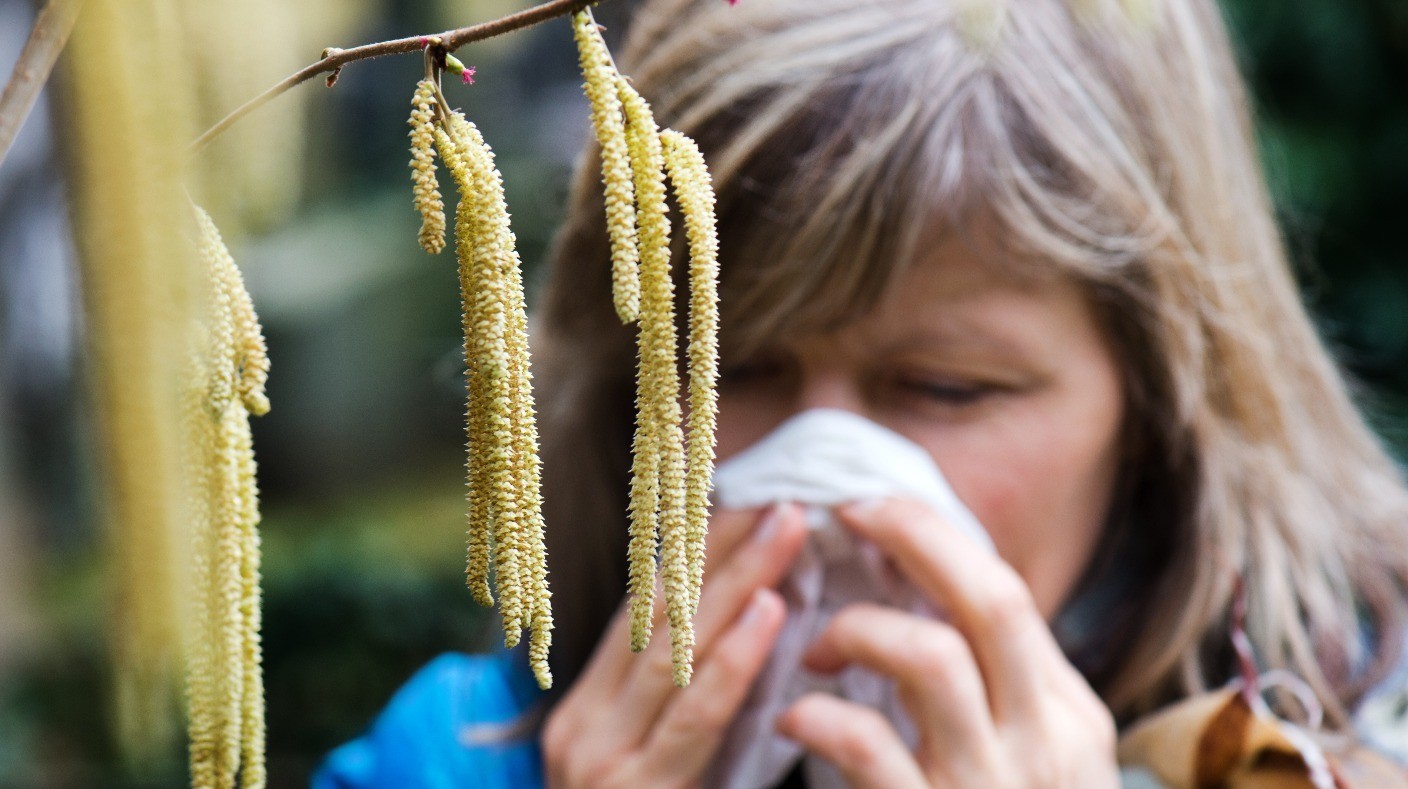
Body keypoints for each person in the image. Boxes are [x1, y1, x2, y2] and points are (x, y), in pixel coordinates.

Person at [314, 0, 1408, 785]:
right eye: (730, 369)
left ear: (1162, 409)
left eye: (944, 387)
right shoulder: (457, 757)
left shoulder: (1361, 734)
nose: (820, 476)